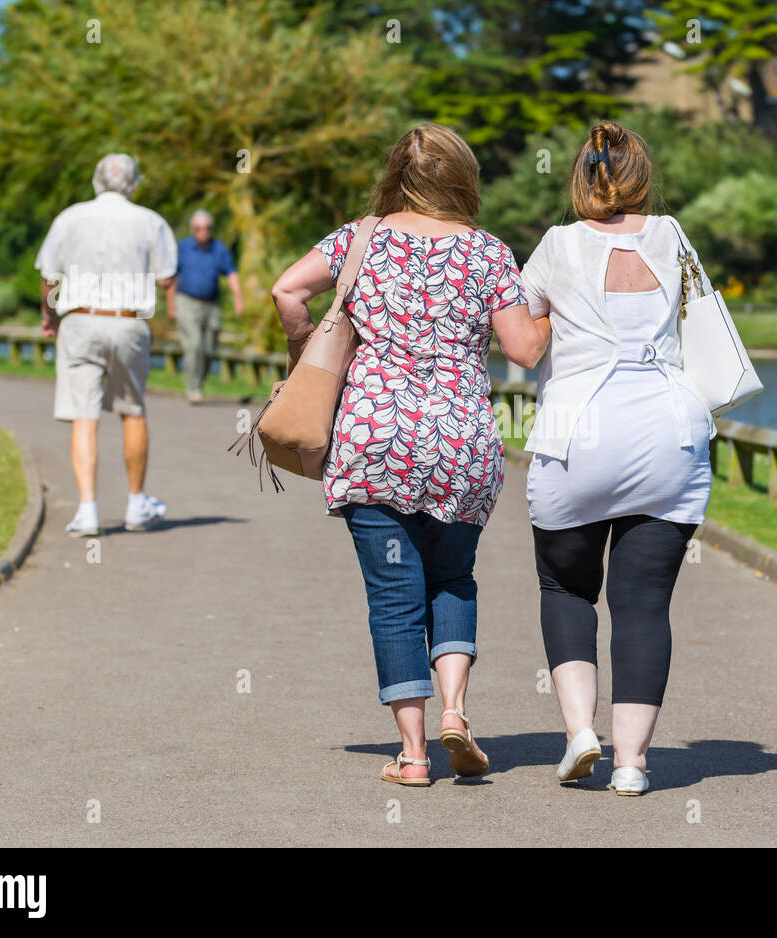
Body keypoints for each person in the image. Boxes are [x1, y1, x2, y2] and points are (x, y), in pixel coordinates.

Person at [270, 124, 549, 786]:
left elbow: (287, 289)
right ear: (465, 179)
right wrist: (558, 312)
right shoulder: (487, 253)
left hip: (375, 440)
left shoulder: (358, 237)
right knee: (452, 578)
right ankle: (455, 708)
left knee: (394, 598)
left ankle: (415, 755)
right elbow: (525, 351)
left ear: (397, 173)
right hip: (460, 443)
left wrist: (304, 344)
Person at [520, 121, 713, 796]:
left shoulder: (557, 245)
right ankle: (631, 765)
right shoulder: (671, 236)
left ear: (581, 176)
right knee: (645, 604)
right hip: (669, 431)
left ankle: (580, 733)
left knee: (565, 586)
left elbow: (520, 336)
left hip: (580, 433)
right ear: (641, 176)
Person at [36, 154, 177, 537]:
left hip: (80, 319)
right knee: (132, 410)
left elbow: (50, 276)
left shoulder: (69, 218)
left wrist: (49, 317)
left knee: (84, 414)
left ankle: (87, 511)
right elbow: (166, 278)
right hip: (128, 321)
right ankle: (136, 505)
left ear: (97, 182)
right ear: (134, 185)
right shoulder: (150, 221)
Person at [165, 210, 244, 404]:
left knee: (209, 349)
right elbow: (171, 278)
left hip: (211, 304)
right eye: (199, 228)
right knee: (194, 343)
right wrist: (171, 305)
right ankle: (193, 389)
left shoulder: (219, 249)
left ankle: (198, 382)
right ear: (193, 229)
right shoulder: (182, 248)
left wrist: (238, 297)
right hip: (186, 301)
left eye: (207, 228)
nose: (203, 232)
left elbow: (231, 273)